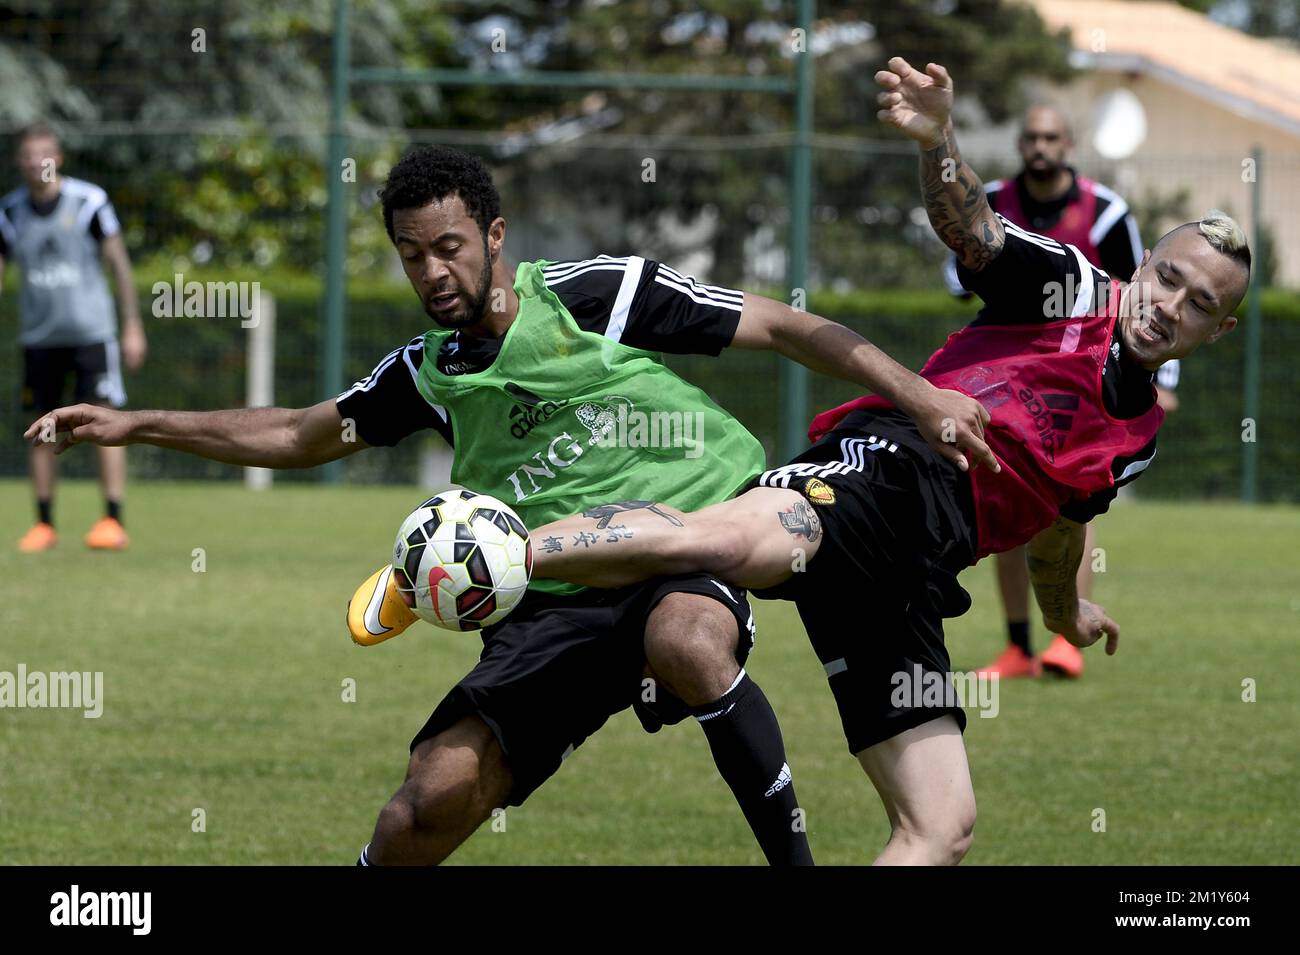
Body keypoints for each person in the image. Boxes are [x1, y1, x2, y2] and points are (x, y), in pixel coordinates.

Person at [27, 144, 990, 866]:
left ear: (494, 236)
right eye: (411, 256)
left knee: (688, 644)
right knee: (425, 804)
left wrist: (921, 394)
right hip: (552, 591)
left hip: (684, 550)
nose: (433, 272)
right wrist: (132, 423)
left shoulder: (591, 296)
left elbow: (784, 325)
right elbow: (294, 433)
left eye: (449, 246)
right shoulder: (427, 373)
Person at [518, 57, 1250, 865]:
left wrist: (1064, 613)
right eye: (1169, 278)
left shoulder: (1140, 433)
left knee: (942, 825)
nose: (1170, 306)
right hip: (888, 472)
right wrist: (938, 140)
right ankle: (498, 553)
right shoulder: (1073, 289)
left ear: (1216, 331)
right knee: (729, 543)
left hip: (918, 577)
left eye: (1200, 305)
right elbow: (975, 231)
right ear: (1142, 263)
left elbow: (1058, 528)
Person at [939, 103, 1177, 678]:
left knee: (1074, 506)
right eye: (1031, 137)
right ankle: (1018, 647)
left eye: (1051, 137)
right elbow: (957, 273)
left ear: (1068, 144)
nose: (1040, 147)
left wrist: (1162, 379)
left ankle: (1064, 640)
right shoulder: (991, 197)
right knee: (1005, 504)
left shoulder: (1105, 211)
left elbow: (1152, 291)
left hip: (1088, 385)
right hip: (1008, 376)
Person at [2, 121, 145, 552]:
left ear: (58, 157)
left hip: (92, 335)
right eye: (28, 155)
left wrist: (132, 326)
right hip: (39, 339)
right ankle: (44, 523)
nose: (36, 162)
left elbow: (119, 265)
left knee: (106, 420)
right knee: (41, 427)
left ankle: (111, 519)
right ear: (19, 162)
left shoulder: (89, 202)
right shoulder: (9, 211)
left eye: (44, 153)